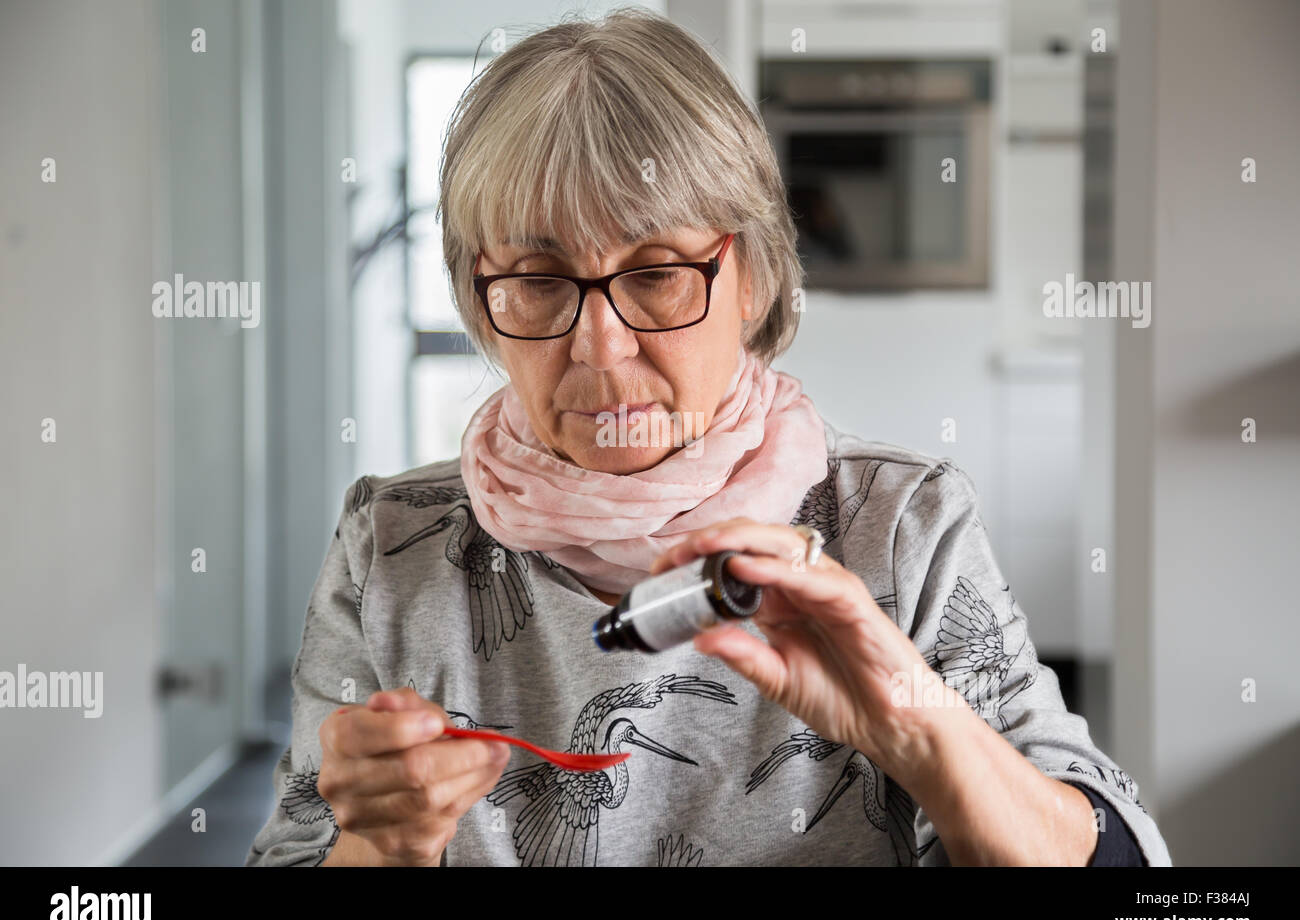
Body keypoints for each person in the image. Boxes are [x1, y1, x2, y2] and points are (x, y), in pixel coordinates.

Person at [246, 7, 1169, 867]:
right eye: (537, 279)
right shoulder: (391, 541)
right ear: (482, 307)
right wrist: (378, 849)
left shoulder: (899, 525)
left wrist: (918, 727)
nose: (600, 349)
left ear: (754, 278)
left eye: (656, 274)